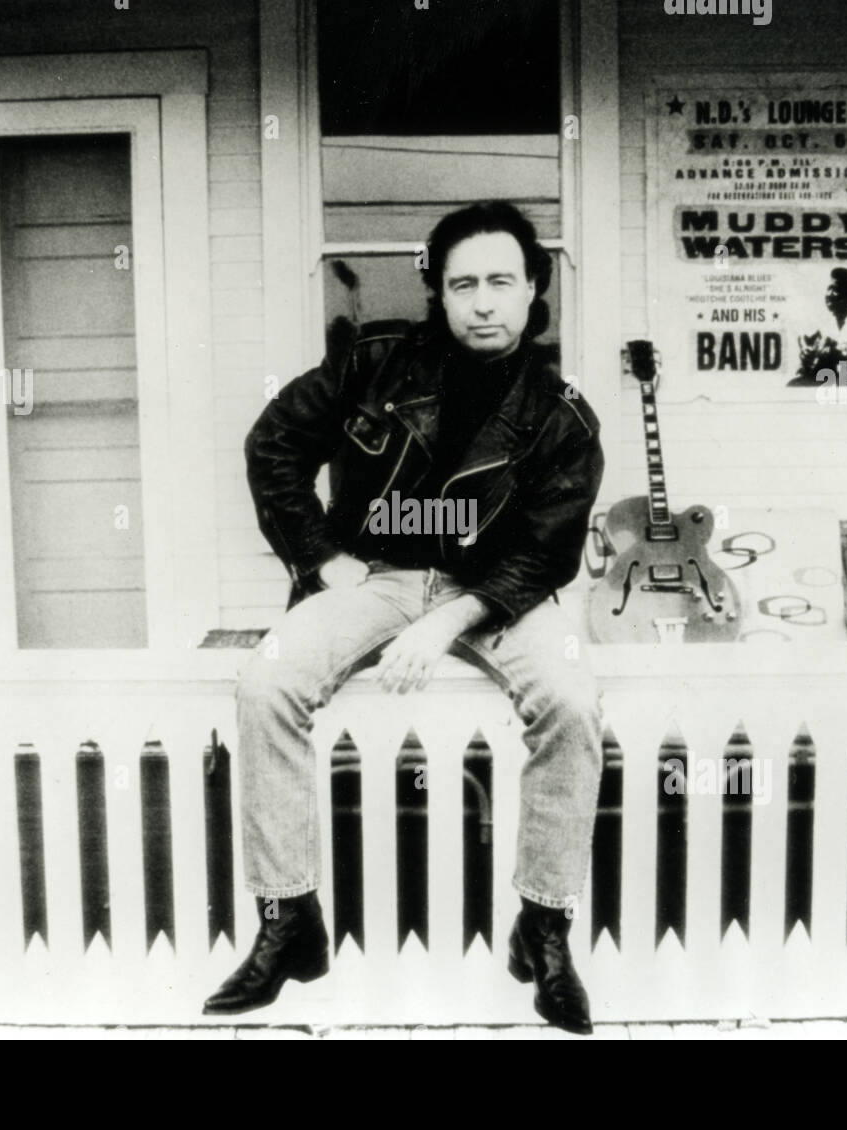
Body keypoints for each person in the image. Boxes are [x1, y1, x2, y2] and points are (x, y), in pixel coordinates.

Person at [201, 201, 606, 1034]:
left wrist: (449, 618)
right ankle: (290, 921)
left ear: (535, 290)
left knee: (570, 703)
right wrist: (322, 560)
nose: (483, 302)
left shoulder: (563, 415)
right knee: (264, 683)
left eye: (502, 281)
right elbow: (272, 445)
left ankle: (545, 926)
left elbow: (546, 550)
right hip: (375, 577)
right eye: (464, 284)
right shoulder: (373, 362)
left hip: (500, 592)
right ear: (438, 291)